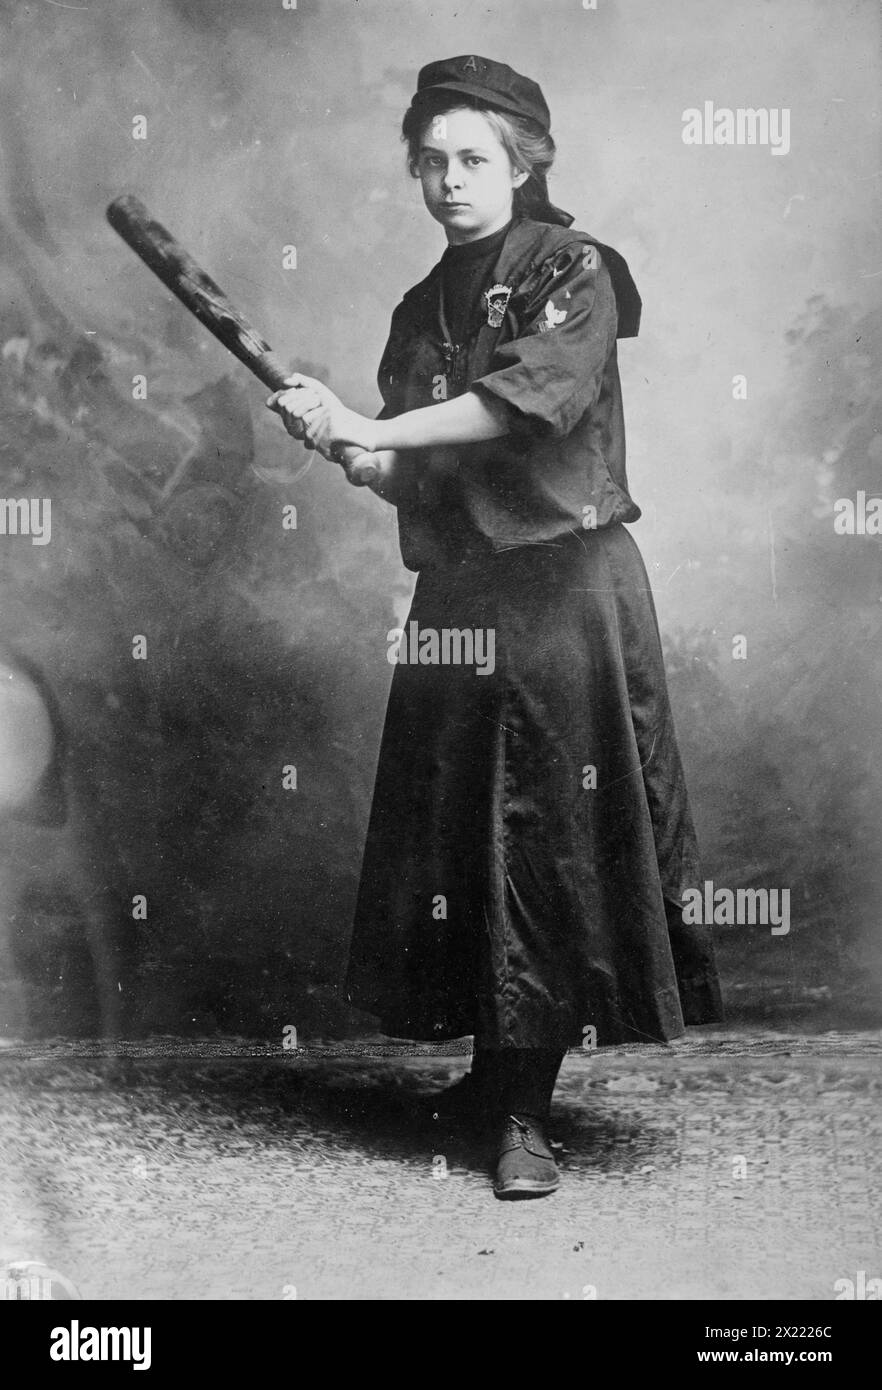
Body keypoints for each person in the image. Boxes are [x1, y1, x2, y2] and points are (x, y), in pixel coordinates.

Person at [267, 54, 723, 1200]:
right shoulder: (420, 310)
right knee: (461, 844)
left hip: (566, 595)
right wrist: (350, 446)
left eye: (474, 158)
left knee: (550, 849)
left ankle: (525, 1113)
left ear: (524, 162)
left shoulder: (576, 270)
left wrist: (378, 422)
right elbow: (416, 471)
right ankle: (488, 1077)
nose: (449, 180)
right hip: (462, 600)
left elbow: (529, 405)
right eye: (431, 160)